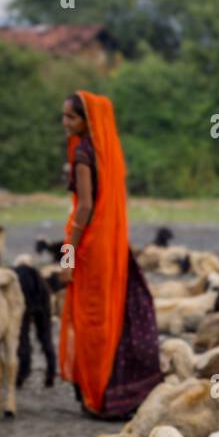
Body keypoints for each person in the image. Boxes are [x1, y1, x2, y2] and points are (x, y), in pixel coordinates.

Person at [59, 91, 162, 418]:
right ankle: (119, 394)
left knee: (92, 320)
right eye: (63, 116)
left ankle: (97, 395)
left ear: (87, 122)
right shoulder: (106, 153)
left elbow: (86, 207)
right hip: (113, 245)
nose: (65, 123)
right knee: (115, 313)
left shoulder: (84, 156)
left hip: (90, 249)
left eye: (71, 117)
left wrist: (68, 256)